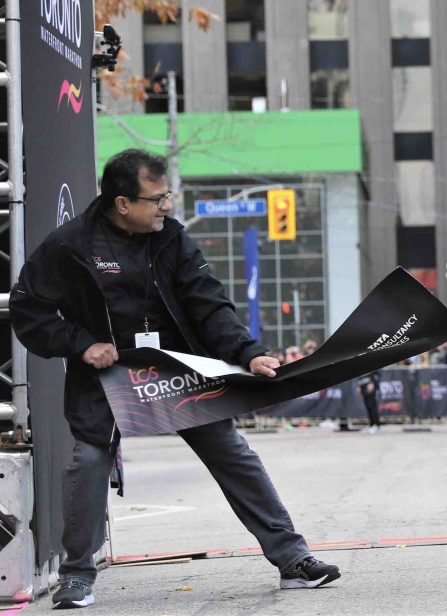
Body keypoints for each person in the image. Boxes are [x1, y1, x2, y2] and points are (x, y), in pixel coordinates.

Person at [11, 150, 341, 609]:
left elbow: (208, 303)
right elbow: (29, 309)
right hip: (107, 377)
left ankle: (293, 559)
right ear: (122, 203)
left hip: (177, 372)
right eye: (157, 197)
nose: (167, 205)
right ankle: (76, 576)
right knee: (88, 461)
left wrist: (249, 353)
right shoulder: (70, 245)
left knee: (233, 454)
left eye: (168, 195)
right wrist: (80, 343)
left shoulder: (173, 239)